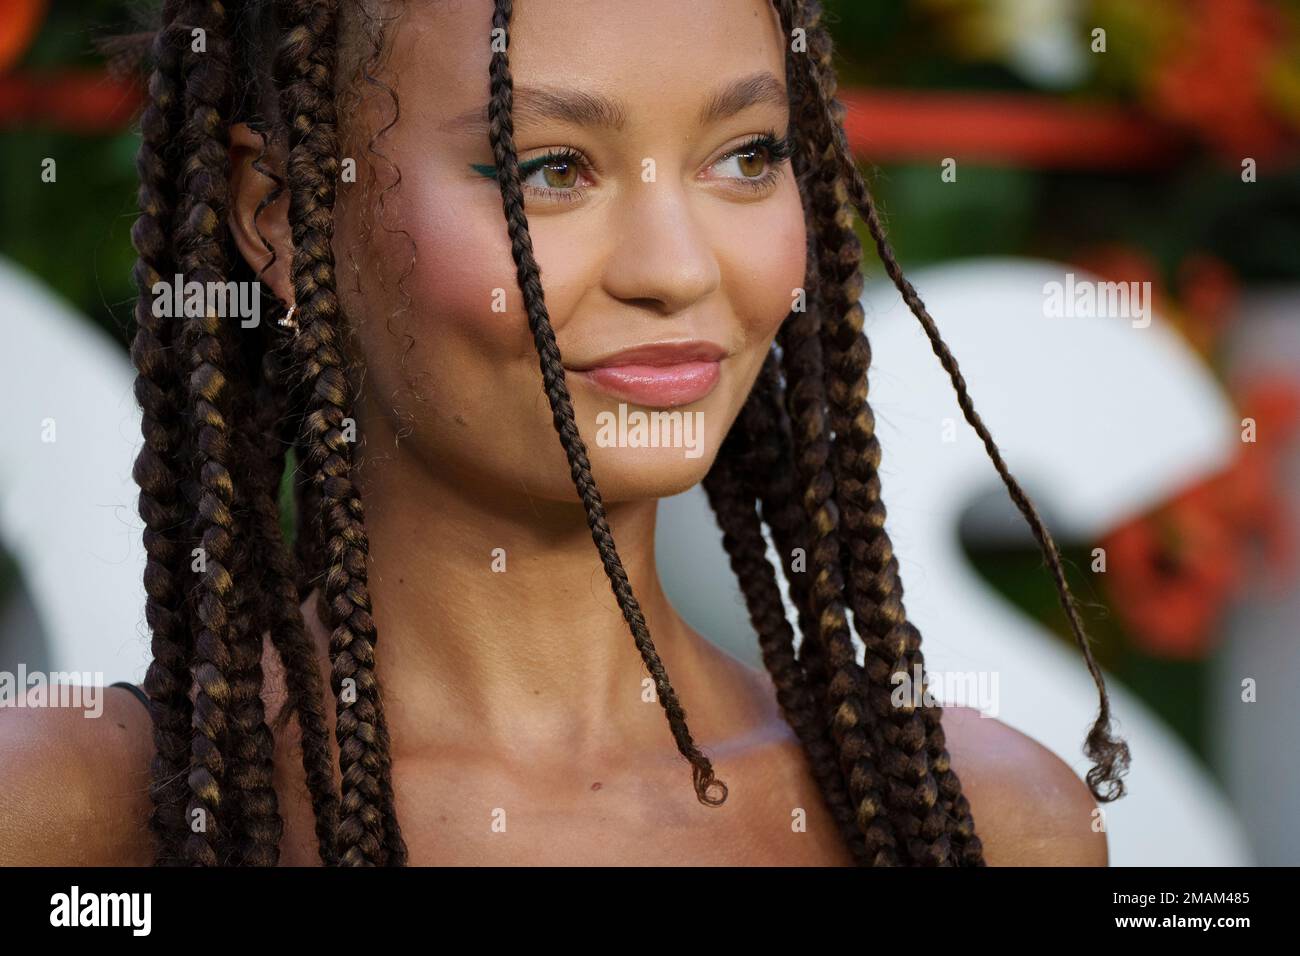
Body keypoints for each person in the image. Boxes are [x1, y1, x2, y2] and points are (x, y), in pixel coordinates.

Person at [0, 0, 1127, 866]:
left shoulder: (986, 821)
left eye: (746, 155)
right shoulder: (77, 818)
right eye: (549, 168)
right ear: (284, 218)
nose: (677, 266)